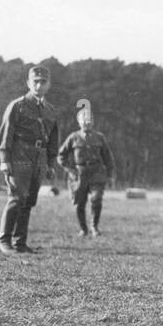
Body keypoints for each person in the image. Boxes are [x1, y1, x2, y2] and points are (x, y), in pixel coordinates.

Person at [0, 65, 61, 255]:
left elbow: (53, 140)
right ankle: (3, 240)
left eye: (43, 82)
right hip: (19, 156)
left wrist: (50, 164)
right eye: (36, 82)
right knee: (16, 198)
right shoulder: (18, 105)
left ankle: (20, 242)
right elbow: (5, 134)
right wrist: (4, 159)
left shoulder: (50, 110)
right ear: (28, 83)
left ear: (49, 85)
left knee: (29, 201)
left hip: (39, 159)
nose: (39, 86)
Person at [58, 101, 116, 238]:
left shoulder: (100, 137)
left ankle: (94, 227)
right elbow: (61, 155)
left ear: (93, 122)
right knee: (79, 203)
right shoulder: (73, 137)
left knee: (96, 199)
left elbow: (108, 156)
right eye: (84, 120)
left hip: (96, 173)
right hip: (79, 175)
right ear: (79, 122)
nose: (87, 123)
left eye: (89, 120)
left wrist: (111, 174)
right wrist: (70, 170)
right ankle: (83, 229)